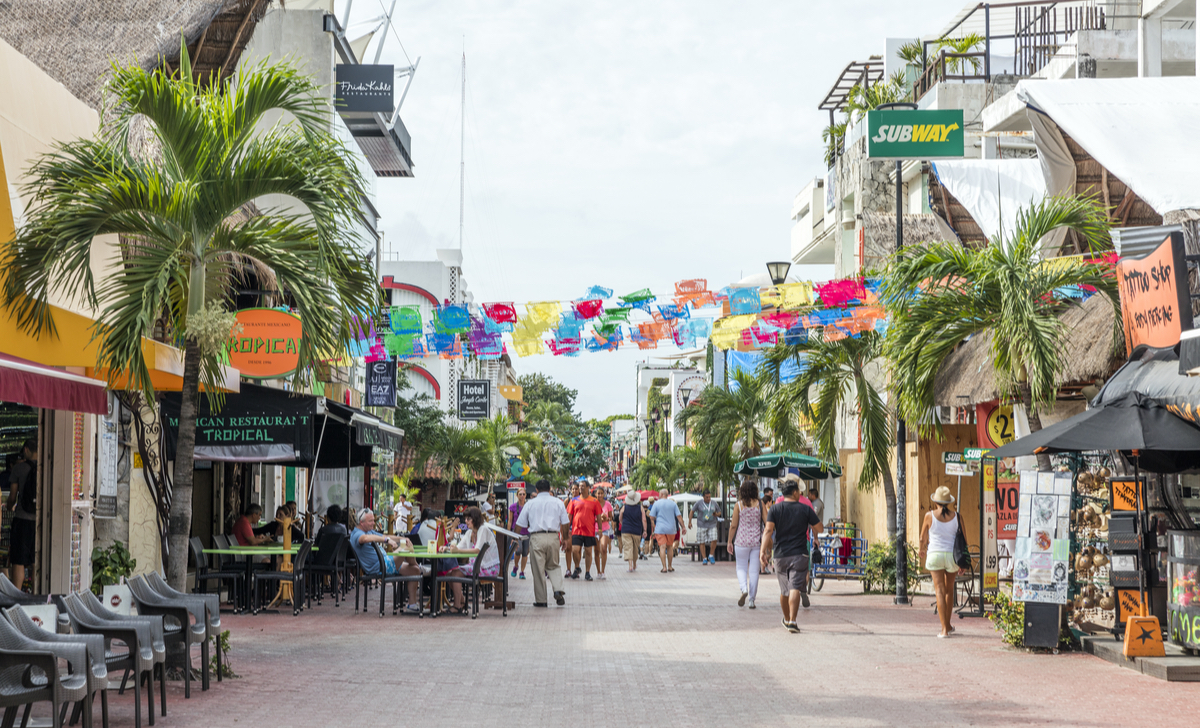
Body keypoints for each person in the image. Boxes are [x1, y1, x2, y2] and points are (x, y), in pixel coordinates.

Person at [760, 480, 823, 633]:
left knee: (784, 591)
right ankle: (793, 621)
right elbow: (819, 528)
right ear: (795, 492)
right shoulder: (805, 509)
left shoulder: (774, 509)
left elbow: (768, 531)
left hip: (780, 555)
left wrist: (763, 552)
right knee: (795, 587)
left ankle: (787, 619)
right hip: (800, 554)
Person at [350, 508, 423, 614]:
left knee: (414, 570)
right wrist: (387, 541)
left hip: (386, 563)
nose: (373, 523)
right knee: (406, 548)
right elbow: (365, 539)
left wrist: (401, 539)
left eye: (373, 520)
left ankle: (412, 605)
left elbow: (385, 536)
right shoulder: (357, 534)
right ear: (361, 522)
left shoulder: (368, 531)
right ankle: (421, 568)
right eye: (370, 521)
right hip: (379, 567)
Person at [515, 479, 570, 607]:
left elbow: (519, 524)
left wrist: (515, 538)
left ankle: (541, 600)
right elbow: (565, 522)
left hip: (536, 538)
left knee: (538, 569)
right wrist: (565, 539)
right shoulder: (558, 502)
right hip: (553, 537)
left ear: (537, 490)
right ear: (549, 489)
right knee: (554, 565)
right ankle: (557, 589)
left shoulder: (530, 504)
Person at [919, 486, 961, 638]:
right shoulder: (957, 517)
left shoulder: (929, 516)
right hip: (952, 556)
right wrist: (963, 562)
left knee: (939, 590)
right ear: (949, 502)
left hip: (935, 555)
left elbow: (923, 538)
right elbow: (964, 540)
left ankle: (944, 630)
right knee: (950, 590)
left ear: (935, 501)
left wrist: (921, 549)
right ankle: (948, 625)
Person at [728, 479, 767, 609]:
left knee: (741, 568)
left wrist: (729, 541)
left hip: (741, 542)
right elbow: (767, 523)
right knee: (754, 571)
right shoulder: (760, 504)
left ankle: (744, 589)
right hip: (756, 542)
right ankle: (751, 600)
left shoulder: (738, 505)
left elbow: (733, 526)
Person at [5, 440, 37, 591]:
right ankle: (37, 593)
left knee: (18, 560)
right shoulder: (45, 468)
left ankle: (16, 596)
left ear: (25, 450)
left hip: (22, 520)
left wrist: (10, 507)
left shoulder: (19, 468)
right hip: (39, 522)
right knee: (35, 559)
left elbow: (12, 496)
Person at [445, 506, 501, 578]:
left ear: (475, 519)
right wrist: (446, 548)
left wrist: (458, 550)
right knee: (449, 573)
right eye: (465, 518)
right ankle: (458, 590)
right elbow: (459, 547)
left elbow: (477, 550)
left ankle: (459, 590)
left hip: (489, 567)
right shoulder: (469, 532)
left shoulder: (483, 529)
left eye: (468, 519)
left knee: (456, 573)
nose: (465, 521)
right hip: (477, 566)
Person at [566, 488, 603, 580]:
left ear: (587, 488)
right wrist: (566, 529)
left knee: (588, 552)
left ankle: (587, 572)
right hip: (576, 530)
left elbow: (598, 516)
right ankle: (577, 567)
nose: (581, 488)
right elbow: (569, 515)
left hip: (589, 531)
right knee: (575, 550)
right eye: (580, 486)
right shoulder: (574, 500)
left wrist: (600, 529)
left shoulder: (594, 501)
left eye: (583, 486)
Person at [648, 489, 684, 573]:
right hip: (671, 529)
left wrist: (658, 517)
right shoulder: (673, 504)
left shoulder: (656, 504)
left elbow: (651, 517)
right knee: (670, 547)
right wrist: (683, 527)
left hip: (660, 529)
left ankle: (664, 567)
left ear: (661, 494)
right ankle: (670, 566)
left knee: (662, 547)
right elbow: (679, 516)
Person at [689, 490, 721, 565]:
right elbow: (692, 511)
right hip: (701, 524)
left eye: (709, 497)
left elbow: (719, 512)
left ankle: (711, 555)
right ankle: (704, 558)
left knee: (714, 539)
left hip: (712, 524)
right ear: (703, 497)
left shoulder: (714, 503)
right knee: (701, 541)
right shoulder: (699, 503)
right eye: (706, 497)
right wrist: (690, 522)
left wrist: (716, 514)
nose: (708, 498)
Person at [619, 490, 647, 572]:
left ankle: (630, 566)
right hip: (637, 530)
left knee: (628, 547)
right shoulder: (640, 508)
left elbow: (620, 518)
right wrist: (644, 530)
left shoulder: (624, 507)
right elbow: (644, 520)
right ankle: (634, 565)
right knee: (635, 548)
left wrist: (624, 524)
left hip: (626, 530)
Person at [508, 488, 530, 579]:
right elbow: (510, 521)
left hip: (527, 532)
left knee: (525, 552)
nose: (522, 496)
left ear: (525, 495)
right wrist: (509, 534)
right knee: (518, 550)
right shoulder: (513, 507)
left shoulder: (528, 506)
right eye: (520, 494)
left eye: (523, 494)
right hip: (517, 532)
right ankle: (516, 566)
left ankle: (522, 572)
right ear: (517, 495)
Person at [595, 491, 614, 580]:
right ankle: (598, 571)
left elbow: (611, 517)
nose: (600, 495)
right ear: (595, 494)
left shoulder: (608, 504)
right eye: (598, 493)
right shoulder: (593, 503)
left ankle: (603, 571)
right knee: (596, 550)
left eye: (601, 493)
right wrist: (597, 519)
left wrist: (606, 518)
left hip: (605, 528)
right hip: (595, 529)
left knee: (603, 548)